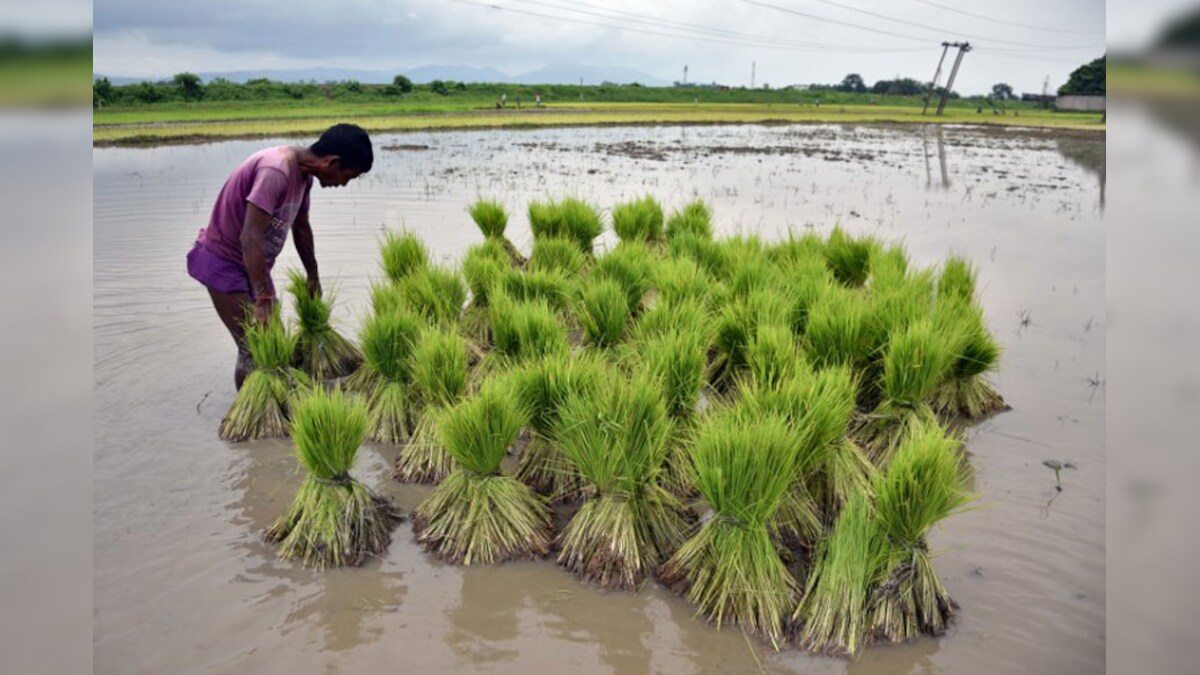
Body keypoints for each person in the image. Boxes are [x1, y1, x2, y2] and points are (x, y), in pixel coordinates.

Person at [185, 123, 373, 388]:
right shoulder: (276, 170)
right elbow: (250, 236)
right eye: (348, 176)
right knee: (255, 349)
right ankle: (252, 411)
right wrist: (263, 298)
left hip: (253, 266)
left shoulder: (304, 177)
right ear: (332, 162)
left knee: (274, 346)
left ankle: (278, 406)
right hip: (224, 262)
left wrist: (312, 274)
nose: (343, 184)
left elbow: (301, 226)